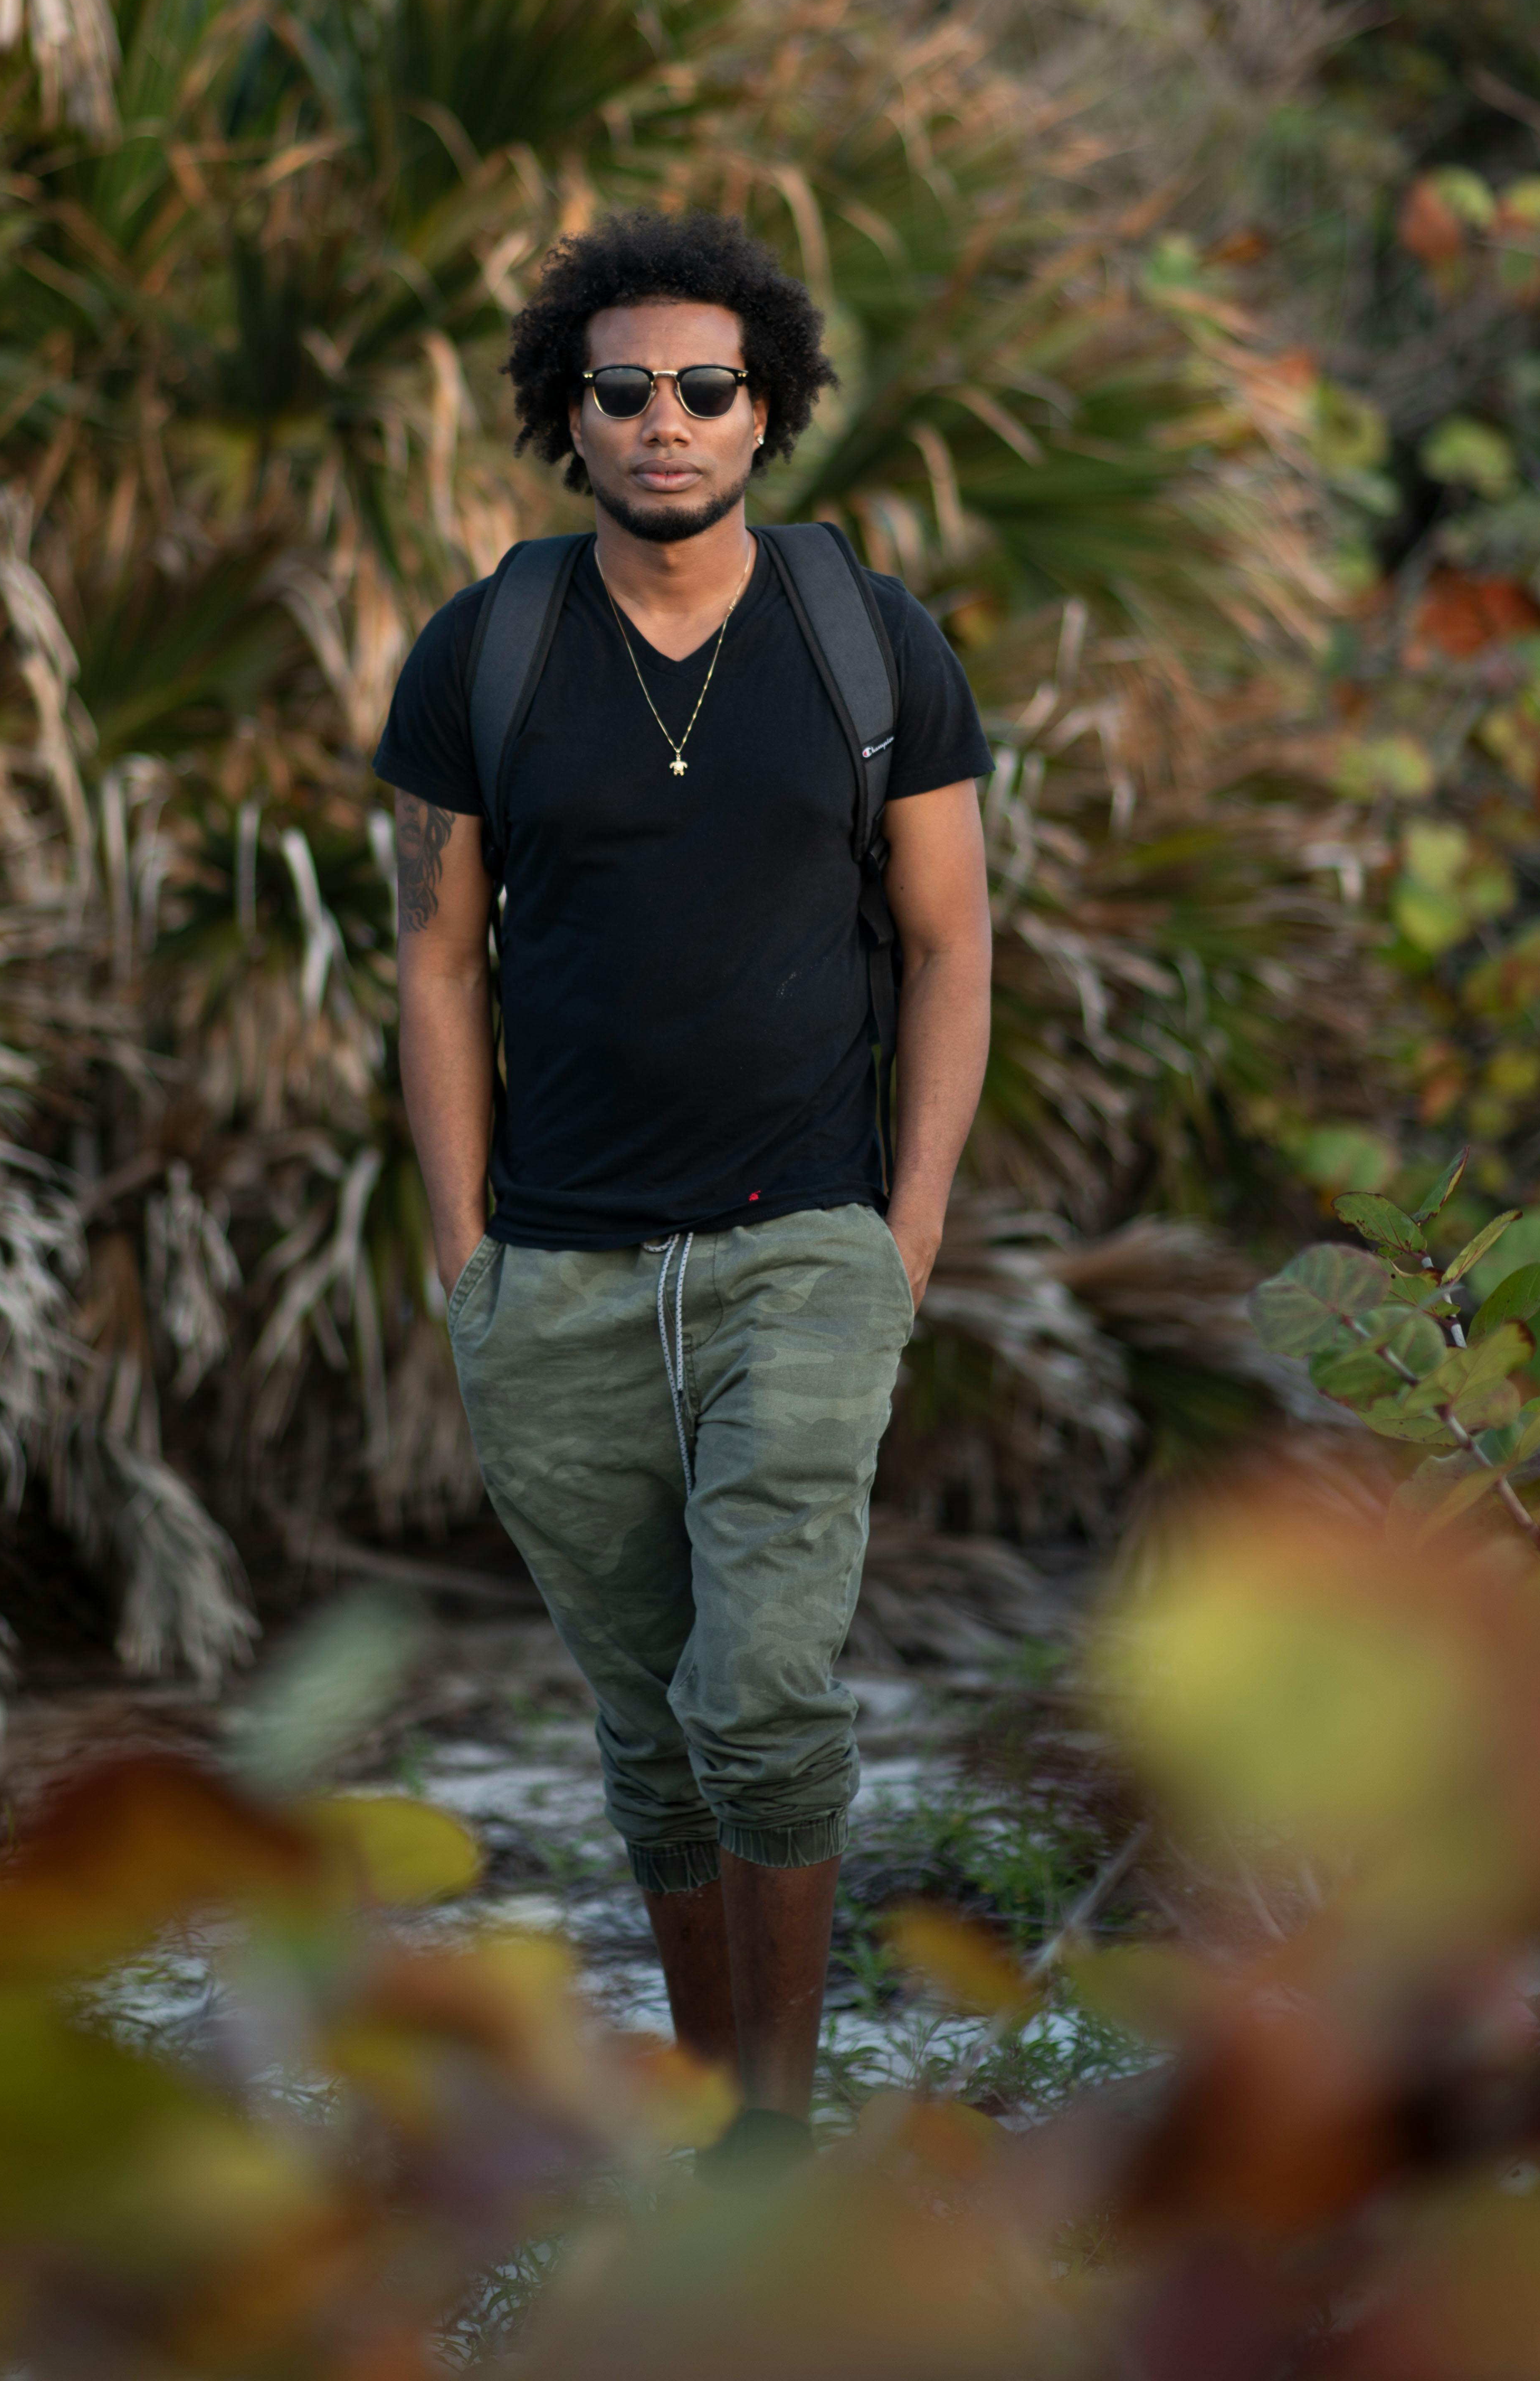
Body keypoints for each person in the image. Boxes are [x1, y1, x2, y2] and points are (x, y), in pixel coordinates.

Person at [374, 209, 993, 2158]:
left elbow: (952, 943)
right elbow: (433, 959)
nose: (665, 420)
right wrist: (467, 1253)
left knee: (763, 1695)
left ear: (765, 411)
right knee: (650, 1732)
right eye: (624, 389)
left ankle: (779, 2131)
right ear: (568, 416)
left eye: (706, 389)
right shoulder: (486, 651)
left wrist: (904, 1232)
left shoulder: (867, 643)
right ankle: (725, 2112)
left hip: (798, 1249)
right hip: (551, 1281)